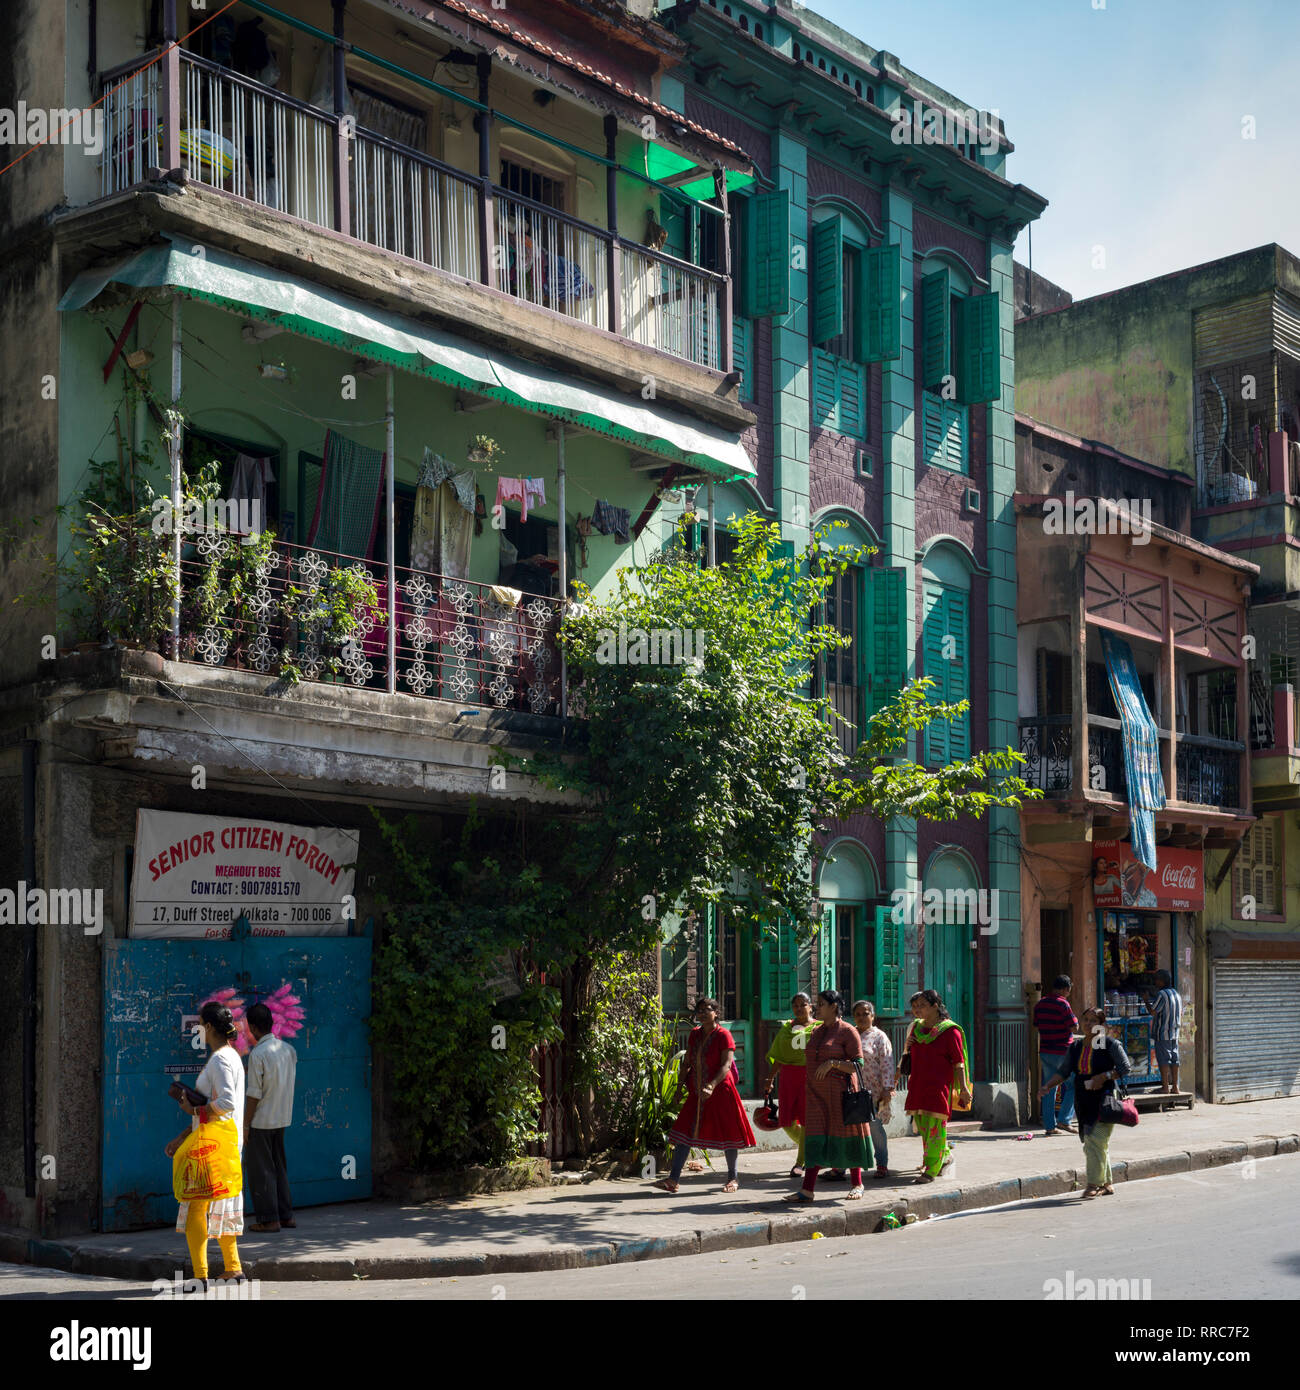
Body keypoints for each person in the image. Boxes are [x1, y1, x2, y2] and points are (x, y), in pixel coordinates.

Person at [165, 1001, 246, 1283]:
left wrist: (195, 1110)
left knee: (195, 1205)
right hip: (223, 1142)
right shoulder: (231, 1056)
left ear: (209, 1027)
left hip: (214, 1145)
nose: (200, 1029)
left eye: (201, 1024)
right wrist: (183, 1135)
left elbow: (225, 1102)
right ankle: (233, 1268)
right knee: (222, 1205)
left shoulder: (221, 1060)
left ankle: (200, 1276)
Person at [654, 998, 755, 1193]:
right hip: (696, 1091)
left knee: (728, 1134)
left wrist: (712, 1085)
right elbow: (687, 1064)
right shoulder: (695, 1034)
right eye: (698, 1010)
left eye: (706, 1010)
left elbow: (726, 1065)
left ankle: (733, 1179)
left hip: (721, 1091)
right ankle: (673, 1180)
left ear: (716, 1013)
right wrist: (678, 1088)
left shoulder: (724, 1035)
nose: (701, 1014)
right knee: (685, 1132)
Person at [785, 989, 872, 1203]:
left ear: (834, 1006)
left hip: (841, 1096)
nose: (817, 1008)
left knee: (847, 1138)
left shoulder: (848, 1031)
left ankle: (857, 1183)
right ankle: (807, 1190)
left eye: (821, 1004)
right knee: (815, 1140)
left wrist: (833, 1063)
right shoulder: (816, 1031)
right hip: (816, 1096)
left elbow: (857, 1065)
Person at [1039, 1005, 1131, 1198]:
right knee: (1095, 1142)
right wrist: (1047, 1086)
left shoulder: (1109, 1044)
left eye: (1094, 1021)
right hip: (1083, 1099)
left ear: (1102, 1025)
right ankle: (1106, 1183)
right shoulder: (1076, 1047)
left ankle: (1093, 1184)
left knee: (1094, 1140)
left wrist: (1104, 1076)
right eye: (1086, 1020)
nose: (1089, 1024)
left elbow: (1125, 1067)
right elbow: (1064, 1071)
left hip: (1104, 1098)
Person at [900, 989, 970, 1183]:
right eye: (914, 1007)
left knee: (935, 1127)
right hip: (918, 1083)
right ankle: (943, 1157)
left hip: (939, 1085)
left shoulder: (950, 1030)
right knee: (923, 1125)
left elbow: (958, 1062)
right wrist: (908, 1045)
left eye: (921, 1005)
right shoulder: (915, 1028)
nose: (916, 1010)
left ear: (935, 1006)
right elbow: (908, 1054)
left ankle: (931, 1169)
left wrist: (963, 1088)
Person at [243, 1001, 298, 1233]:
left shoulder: (258, 1054)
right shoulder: (288, 1050)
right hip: (281, 1118)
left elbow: (254, 1094)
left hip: (262, 1120)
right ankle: (286, 1216)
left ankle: (268, 1219)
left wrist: (245, 1124)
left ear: (253, 1028)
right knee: (279, 1167)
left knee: (261, 1170)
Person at [763, 993, 819, 1177]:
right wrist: (770, 1079)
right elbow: (779, 1056)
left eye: (803, 1004)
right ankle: (812, 1149)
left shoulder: (820, 1028)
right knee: (786, 1121)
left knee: (806, 1120)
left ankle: (800, 1162)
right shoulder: (786, 1028)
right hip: (788, 1078)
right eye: (795, 1005)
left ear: (811, 1006)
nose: (799, 1008)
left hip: (810, 1077)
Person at [1033, 974, 1079, 1136]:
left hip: (1046, 1051)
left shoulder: (1040, 1004)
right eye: (1069, 990)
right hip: (1062, 1052)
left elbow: (1036, 1026)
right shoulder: (1063, 1004)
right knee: (1074, 1084)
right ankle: (1064, 1120)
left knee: (1048, 1088)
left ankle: (1050, 1126)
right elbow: (1074, 1027)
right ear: (1065, 989)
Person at [1146, 970, 1182, 1095]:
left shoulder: (1162, 994)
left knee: (1163, 1060)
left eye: (1157, 980)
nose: (1155, 982)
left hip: (1163, 1033)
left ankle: (1165, 1087)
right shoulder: (1176, 994)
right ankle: (1175, 1087)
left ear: (1162, 981)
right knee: (1174, 1059)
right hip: (1175, 1033)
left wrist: (1146, 1000)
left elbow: (1153, 1011)